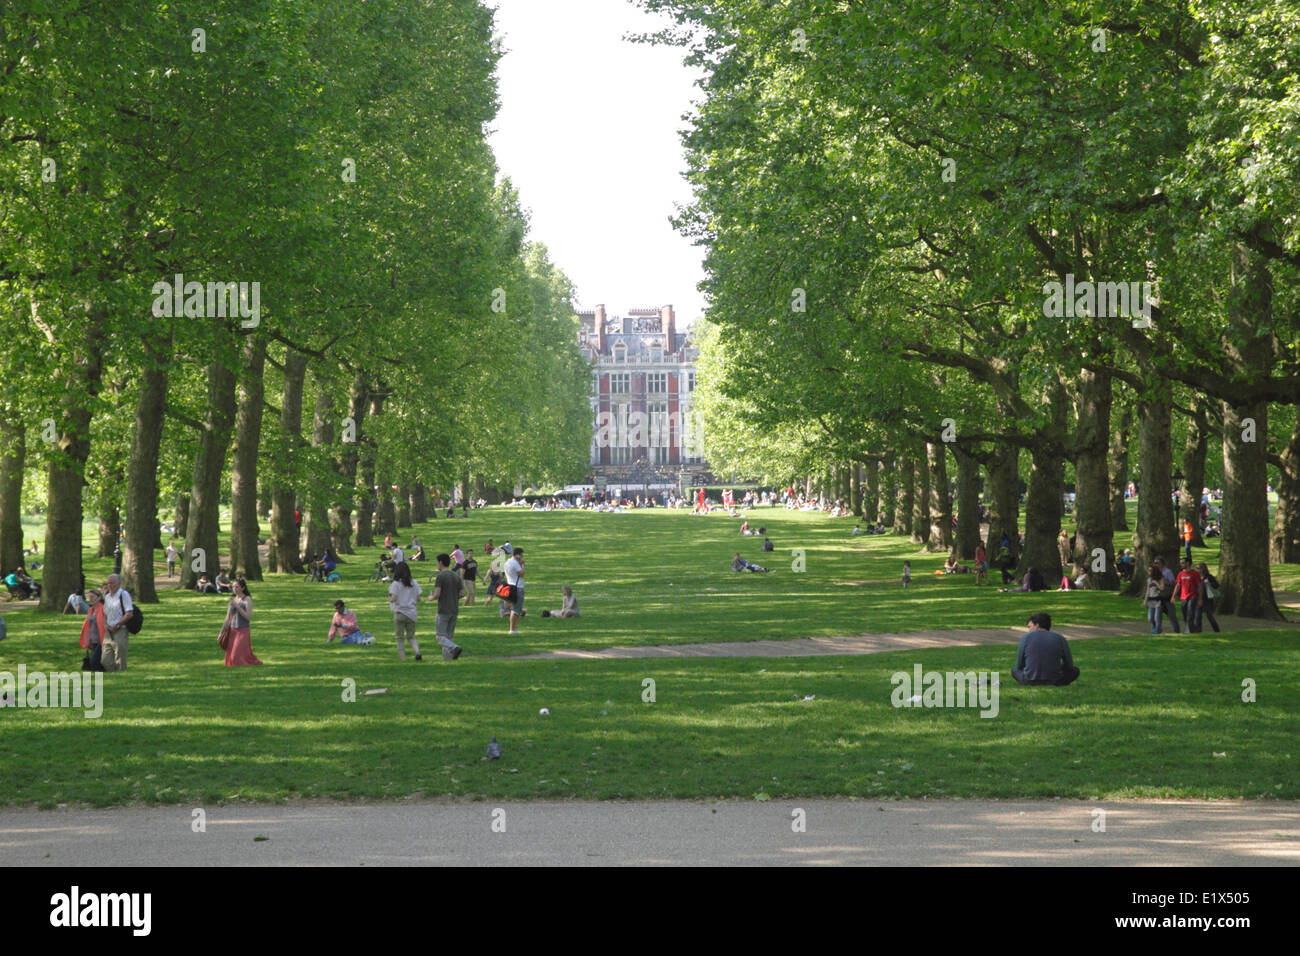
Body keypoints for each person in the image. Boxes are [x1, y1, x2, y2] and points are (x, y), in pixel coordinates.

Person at [1012, 612, 1079, 686]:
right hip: (1055, 680)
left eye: (1029, 627)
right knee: (1075, 671)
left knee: (1014, 670)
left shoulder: (1025, 637)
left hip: (1029, 680)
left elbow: (1019, 665)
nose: (1029, 630)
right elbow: (1069, 665)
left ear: (1037, 625)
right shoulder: (1060, 638)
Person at [426, 554, 464, 660]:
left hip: (443, 610)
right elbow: (462, 594)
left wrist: (431, 598)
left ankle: (455, 648)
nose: (436, 564)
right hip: (454, 609)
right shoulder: (456, 575)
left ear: (441, 562)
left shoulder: (441, 576)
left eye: (437, 562)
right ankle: (447, 660)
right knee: (448, 637)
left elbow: (437, 594)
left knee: (440, 636)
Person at [387, 561, 424, 661]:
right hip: (412, 613)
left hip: (400, 613)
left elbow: (393, 598)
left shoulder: (395, 584)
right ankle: (417, 651)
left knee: (399, 637)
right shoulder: (414, 583)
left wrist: (389, 600)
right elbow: (419, 598)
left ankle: (403, 658)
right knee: (411, 636)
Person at [223, 578, 262, 666]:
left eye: (237, 587)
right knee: (230, 660)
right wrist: (223, 629)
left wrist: (237, 606)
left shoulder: (247, 599)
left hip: (243, 630)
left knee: (235, 658)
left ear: (243, 588)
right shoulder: (232, 599)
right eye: (233, 587)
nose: (234, 589)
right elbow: (228, 616)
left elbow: (248, 617)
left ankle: (252, 661)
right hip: (233, 630)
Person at [100, 573, 135, 671]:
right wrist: (105, 624)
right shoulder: (107, 597)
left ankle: (120, 675)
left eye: (112, 583)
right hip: (108, 630)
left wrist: (118, 625)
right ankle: (111, 673)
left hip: (120, 629)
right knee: (105, 659)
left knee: (120, 656)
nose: (110, 586)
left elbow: (129, 613)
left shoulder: (123, 595)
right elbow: (105, 614)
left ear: (119, 584)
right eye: (108, 583)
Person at [79, 589, 107, 672]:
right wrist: (87, 639)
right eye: (89, 597)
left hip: (102, 639)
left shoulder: (103, 609)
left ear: (99, 598)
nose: (90, 599)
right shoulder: (91, 610)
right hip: (93, 640)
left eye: (92, 597)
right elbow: (88, 625)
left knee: (94, 662)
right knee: (96, 662)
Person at [1152, 557, 1181, 633]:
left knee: (1172, 618)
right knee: (1157, 618)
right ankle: (1157, 633)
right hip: (1158, 599)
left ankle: (1177, 632)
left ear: (1161, 564)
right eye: (1154, 563)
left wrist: (1164, 583)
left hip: (1167, 598)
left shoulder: (1168, 572)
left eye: (1157, 563)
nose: (1155, 564)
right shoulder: (1154, 572)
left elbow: (1173, 583)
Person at [1175, 558, 1202, 632]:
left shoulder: (1195, 573)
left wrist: (1200, 599)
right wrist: (1173, 596)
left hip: (1193, 597)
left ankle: (1189, 631)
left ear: (1188, 563)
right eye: (1181, 563)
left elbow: (1199, 586)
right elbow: (1178, 585)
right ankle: (1194, 629)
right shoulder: (1180, 573)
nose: (1181, 564)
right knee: (1184, 615)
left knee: (1190, 614)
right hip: (1183, 597)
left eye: (1183, 563)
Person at [1196, 562, 1222, 633]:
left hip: (1207, 599)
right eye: (1196, 568)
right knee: (1198, 616)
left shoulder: (1208, 577)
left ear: (1203, 569)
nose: (1197, 570)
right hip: (1198, 598)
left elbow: (1216, 585)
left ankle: (1216, 630)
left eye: (1198, 568)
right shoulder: (1196, 577)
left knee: (1209, 616)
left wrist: (1209, 583)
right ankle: (1198, 631)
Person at [505, 546, 525, 634]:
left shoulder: (508, 562)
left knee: (515, 609)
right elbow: (521, 574)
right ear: (517, 555)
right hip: (518, 588)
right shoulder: (515, 563)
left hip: (511, 586)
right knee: (516, 609)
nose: (522, 557)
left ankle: (514, 628)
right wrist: (523, 565)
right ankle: (512, 629)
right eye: (521, 555)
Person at [1141, 566, 1165, 634]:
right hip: (1150, 601)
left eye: (1151, 570)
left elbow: (1162, 588)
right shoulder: (1149, 580)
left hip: (1158, 601)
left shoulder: (1160, 579)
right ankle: (1157, 629)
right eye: (1148, 570)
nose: (1149, 572)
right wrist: (1144, 601)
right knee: (1150, 618)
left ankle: (1156, 632)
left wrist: (1156, 583)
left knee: (1157, 618)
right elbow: (1147, 591)